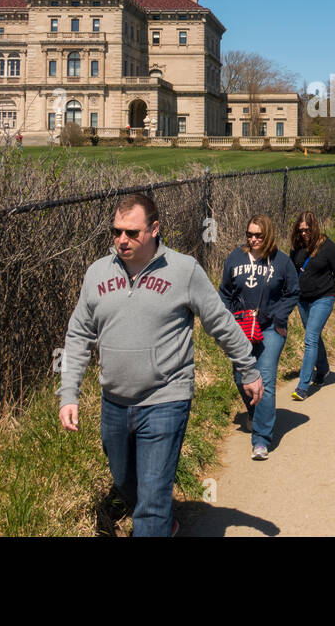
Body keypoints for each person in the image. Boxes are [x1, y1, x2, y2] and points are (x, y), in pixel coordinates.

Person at [58, 193, 265, 537]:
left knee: (152, 500)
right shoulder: (97, 273)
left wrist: (248, 368)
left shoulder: (183, 271)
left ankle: (156, 521)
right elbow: (78, 333)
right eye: (116, 231)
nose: (122, 240)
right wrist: (69, 393)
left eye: (131, 232)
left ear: (154, 229)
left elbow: (221, 322)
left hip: (166, 399)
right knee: (127, 483)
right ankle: (163, 520)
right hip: (114, 403)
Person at [219, 214, 300, 461]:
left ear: (268, 236)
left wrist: (278, 318)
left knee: (264, 376)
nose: (253, 239)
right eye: (250, 234)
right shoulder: (235, 258)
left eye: (258, 235)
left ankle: (261, 439)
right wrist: (229, 319)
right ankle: (255, 412)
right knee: (240, 375)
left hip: (269, 329)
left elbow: (293, 292)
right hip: (240, 327)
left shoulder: (282, 261)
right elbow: (224, 292)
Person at [288, 210, 335, 401]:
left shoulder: (328, 247)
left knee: (310, 338)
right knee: (314, 336)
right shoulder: (296, 247)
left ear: (314, 227)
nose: (303, 233)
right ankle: (323, 369)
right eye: (300, 230)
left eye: (307, 230)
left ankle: (302, 386)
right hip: (303, 299)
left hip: (323, 298)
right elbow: (292, 274)